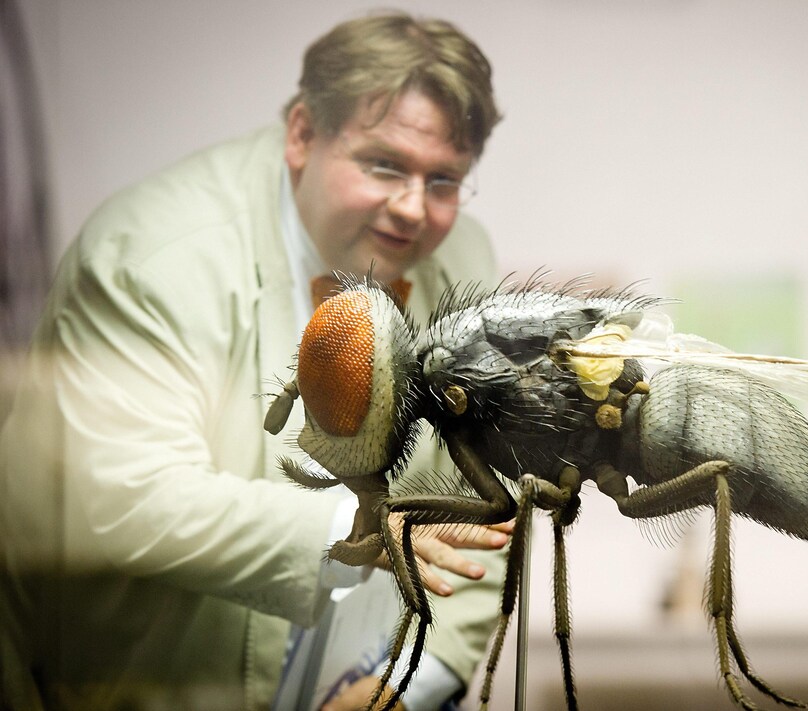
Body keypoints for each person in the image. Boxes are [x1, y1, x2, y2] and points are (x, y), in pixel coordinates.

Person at [0, 12, 508, 711]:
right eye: (385, 163)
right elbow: (132, 499)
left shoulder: (465, 262)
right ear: (302, 133)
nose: (413, 209)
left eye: (445, 179)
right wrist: (356, 534)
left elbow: (490, 510)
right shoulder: (153, 258)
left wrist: (402, 688)